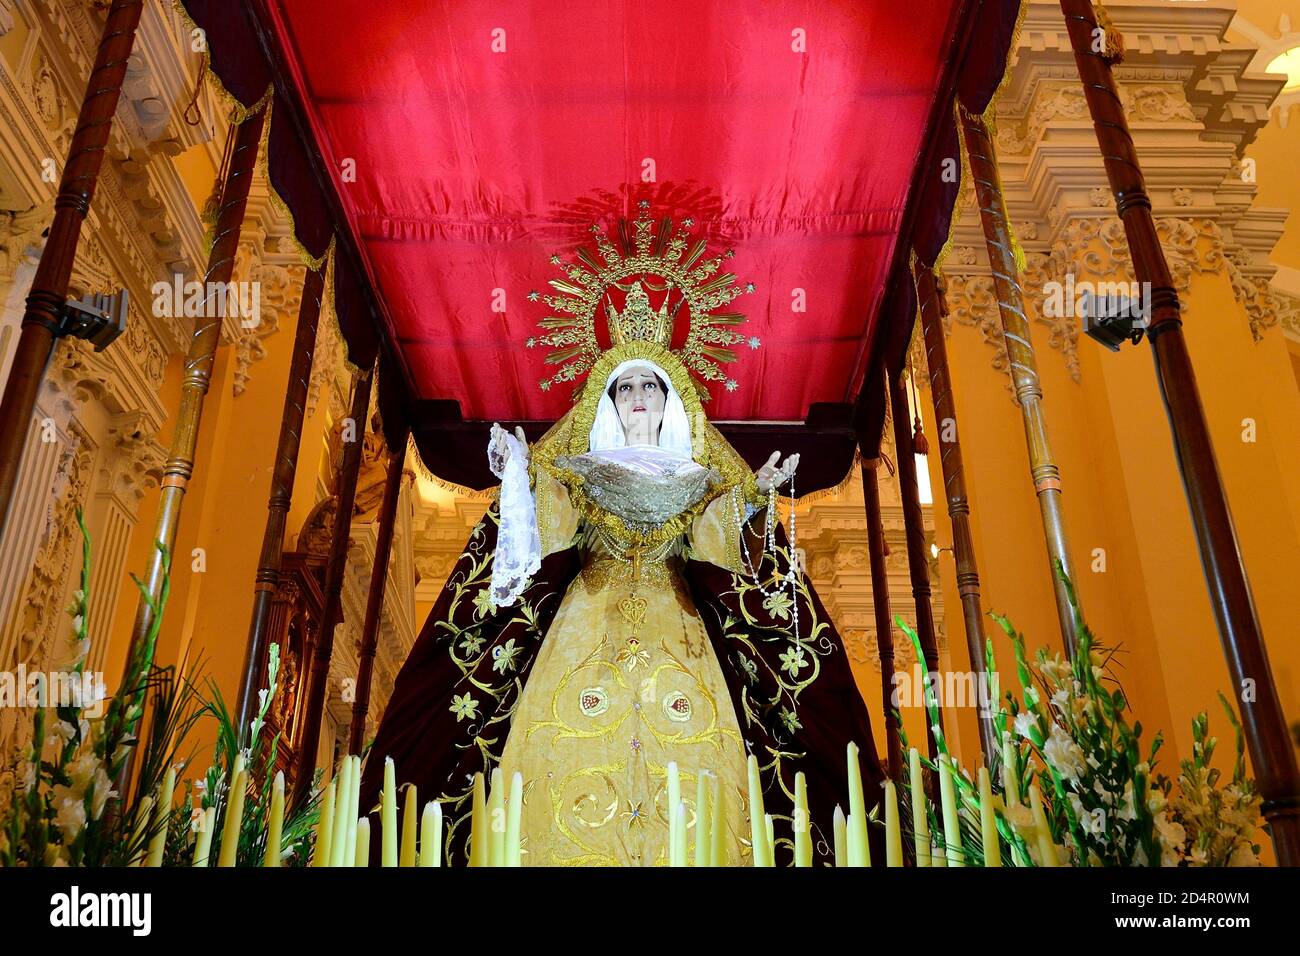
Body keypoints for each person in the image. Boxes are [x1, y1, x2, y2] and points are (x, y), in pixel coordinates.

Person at [359, 213, 883, 866]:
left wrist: (751, 506)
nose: (637, 396)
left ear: (671, 399)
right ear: (606, 399)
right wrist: (520, 482)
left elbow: (729, 558)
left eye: (649, 386)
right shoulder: (572, 469)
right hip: (582, 627)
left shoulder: (704, 475)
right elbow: (527, 562)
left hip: (683, 633)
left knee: (693, 788)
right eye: (625, 386)